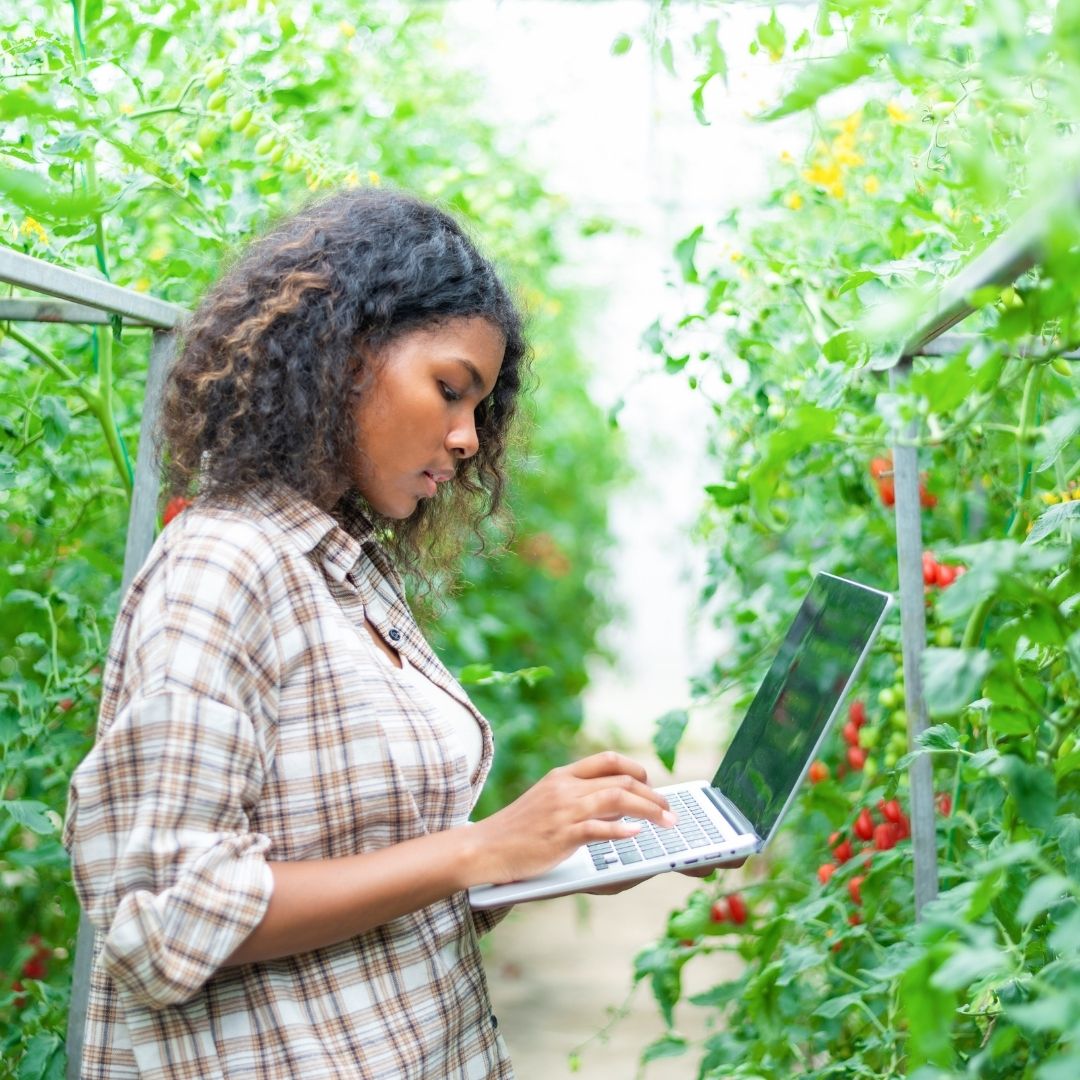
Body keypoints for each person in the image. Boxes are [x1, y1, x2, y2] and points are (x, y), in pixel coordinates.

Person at [63, 187, 703, 1080]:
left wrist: (545, 857)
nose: (469, 437)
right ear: (343, 352)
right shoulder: (225, 567)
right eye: (451, 390)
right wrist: (477, 846)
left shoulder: (342, 565)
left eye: (481, 410)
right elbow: (165, 919)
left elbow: (371, 869)